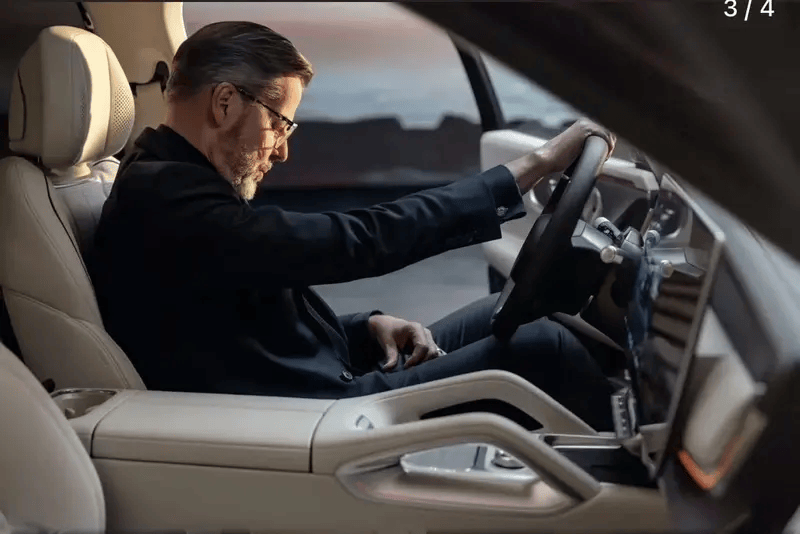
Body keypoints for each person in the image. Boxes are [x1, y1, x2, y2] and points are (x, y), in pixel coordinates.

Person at [88, 21, 618, 430]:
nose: (283, 150)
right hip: (309, 416)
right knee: (544, 347)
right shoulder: (165, 199)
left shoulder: (168, 180)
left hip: (308, 386)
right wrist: (536, 164)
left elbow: (238, 328)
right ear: (225, 103)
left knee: (517, 312)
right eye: (279, 123)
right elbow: (354, 241)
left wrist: (366, 328)